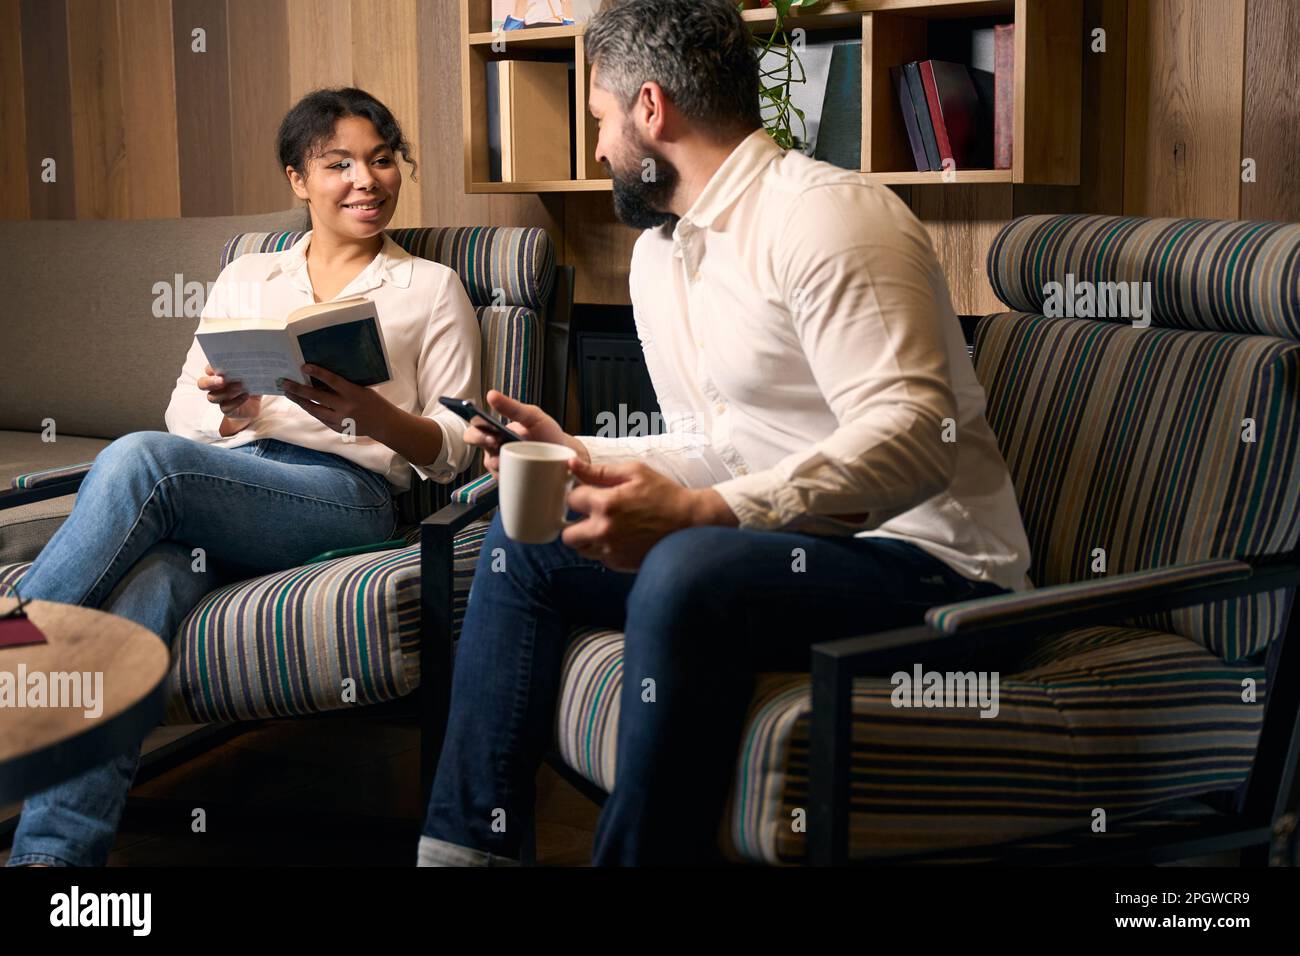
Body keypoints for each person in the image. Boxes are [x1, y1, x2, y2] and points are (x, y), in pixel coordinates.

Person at [418, 0, 1033, 866]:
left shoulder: (830, 217)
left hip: (935, 571)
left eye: (598, 119)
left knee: (686, 562)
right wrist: (580, 454)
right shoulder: (661, 256)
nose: (597, 150)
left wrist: (707, 515)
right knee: (524, 540)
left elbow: (914, 438)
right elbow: (719, 442)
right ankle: (462, 852)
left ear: (650, 108)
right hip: (783, 555)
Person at [7, 88, 481, 867]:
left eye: (382, 159)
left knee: (136, 459)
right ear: (298, 178)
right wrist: (230, 412)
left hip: (344, 498)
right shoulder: (248, 279)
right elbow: (180, 415)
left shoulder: (429, 288)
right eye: (340, 164)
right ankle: (50, 861)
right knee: (139, 599)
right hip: (225, 489)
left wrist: (365, 414)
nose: (367, 180)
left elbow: (453, 448)